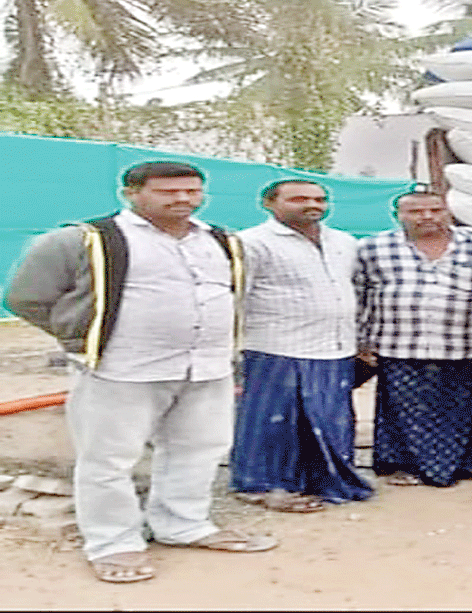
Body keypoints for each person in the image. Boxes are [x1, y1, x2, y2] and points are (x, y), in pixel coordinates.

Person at [4, 161, 276, 585]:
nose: (183, 199)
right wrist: (81, 339)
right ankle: (113, 543)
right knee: (109, 460)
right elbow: (27, 298)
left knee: (200, 449)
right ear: (131, 193)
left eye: (192, 191)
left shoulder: (222, 241)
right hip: (122, 369)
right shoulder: (85, 239)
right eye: (168, 192)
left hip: (206, 367)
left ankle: (184, 525)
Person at [230, 179, 374, 511]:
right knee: (270, 421)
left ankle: (327, 481)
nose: (313, 205)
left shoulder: (344, 242)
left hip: (335, 347)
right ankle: (261, 485)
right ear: (268, 203)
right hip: (274, 347)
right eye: (299, 199)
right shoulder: (250, 243)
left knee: (330, 420)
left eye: (320, 199)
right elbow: (237, 297)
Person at [355, 184, 472, 486]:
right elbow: (360, 296)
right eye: (415, 211)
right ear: (398, 215)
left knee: (467, 409)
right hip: (399, 345)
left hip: (466, 344)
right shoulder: (372, 248)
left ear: (448, 211)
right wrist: (361, 341)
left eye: (435, 210)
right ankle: (401, 465)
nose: (427, 217)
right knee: (404, 411)